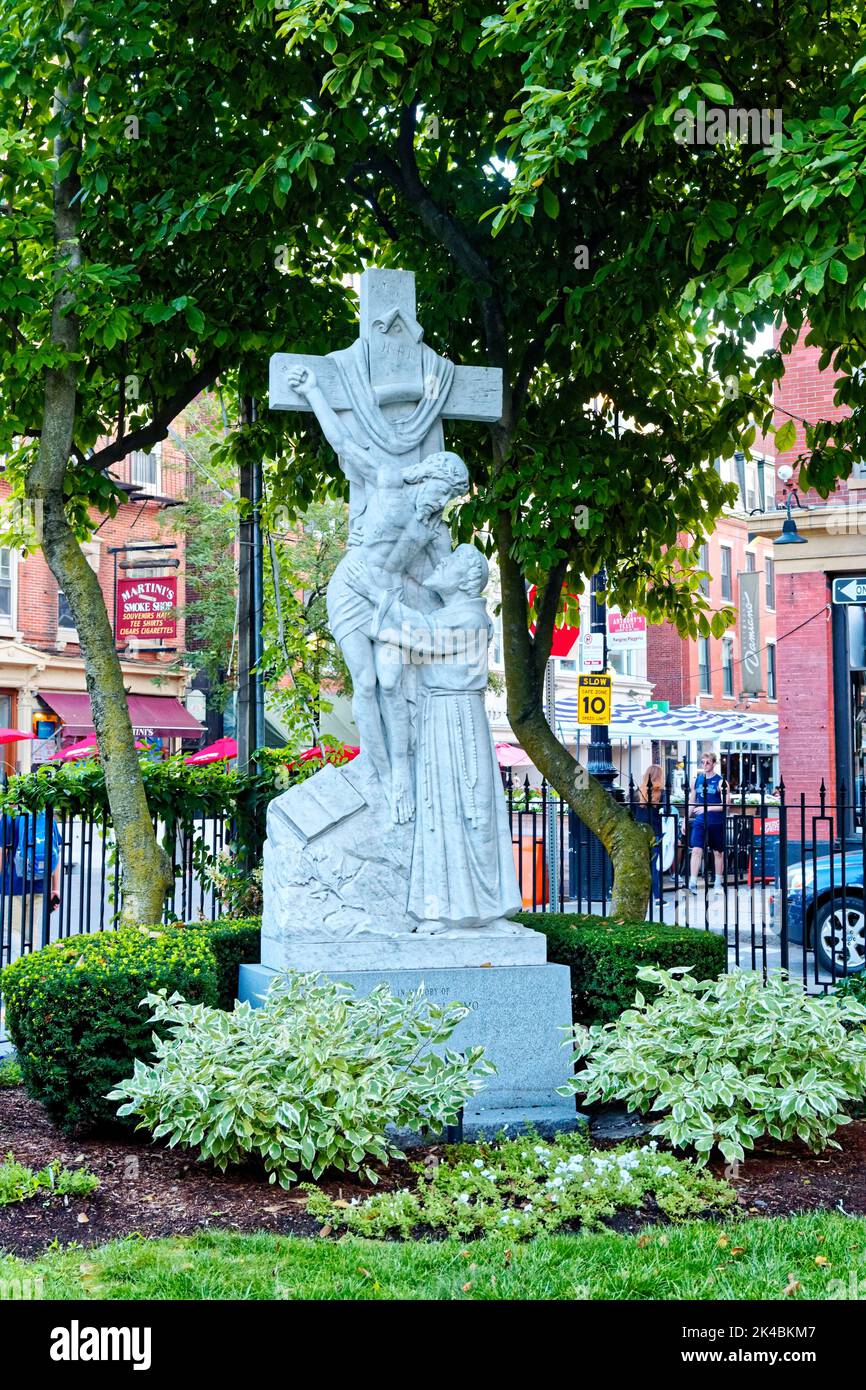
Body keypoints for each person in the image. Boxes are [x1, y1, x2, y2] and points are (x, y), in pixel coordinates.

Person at [349, 542, 522, 931]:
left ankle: (483, 912)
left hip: (458, 718)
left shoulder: (471, 619)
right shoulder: (452, 614)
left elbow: (424, 634)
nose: (438, 565)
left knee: (471, 810)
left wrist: (377, 594)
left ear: (463, 579)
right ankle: (444, 909)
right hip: (439, 715)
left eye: (447, 563)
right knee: (441, 812)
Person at [1, 809, 61, 946]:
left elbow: (2, 854)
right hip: (39, 884)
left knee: (13, 931)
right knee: (32, 932)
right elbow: (55, 855)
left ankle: (18, 965)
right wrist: (55, 888)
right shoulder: (47, 816)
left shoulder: (9, 817)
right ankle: (31, 962)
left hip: (12, 886)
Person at [688, 751, 726, 894]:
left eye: (707, 762)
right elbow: (691, 801)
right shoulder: (696, 780)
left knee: (718, 853)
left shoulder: (721, 782)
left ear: (714, 763)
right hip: (700, 821)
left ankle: (717, 883)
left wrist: (707, 808)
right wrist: (686, 819)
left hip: (716, 821)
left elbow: (725, 804)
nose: (704, 765)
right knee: (697, 849)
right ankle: (692, 882)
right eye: (702, 762)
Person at [634, 764, 664, 907]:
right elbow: (668, 811)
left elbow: (632, 812)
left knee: (641, 864)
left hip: (640, 832)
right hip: (655, 832)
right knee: (654, 865)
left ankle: (639, 896)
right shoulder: (662, 793)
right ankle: (658, 897)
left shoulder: (637, 792)